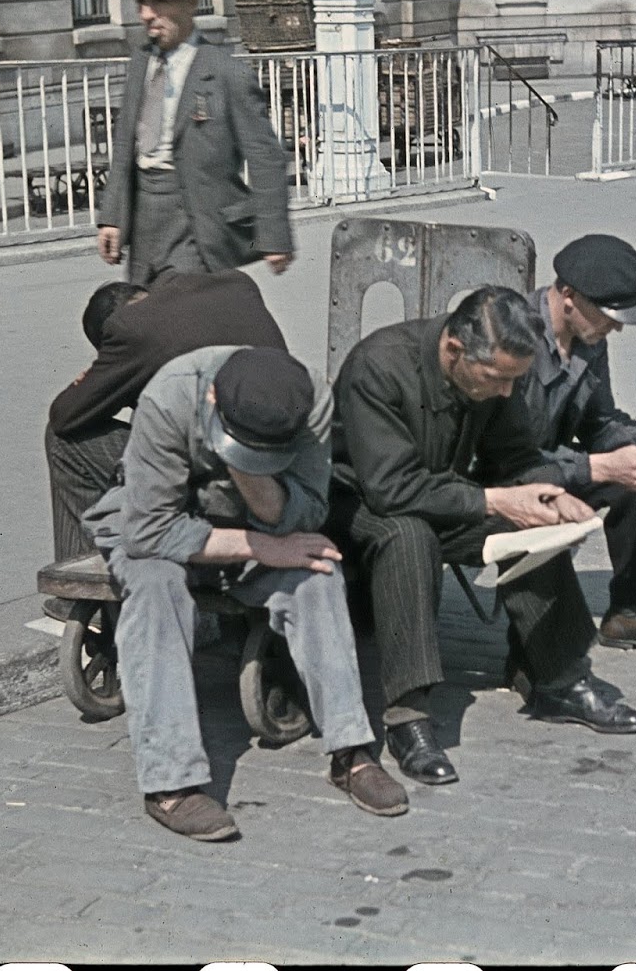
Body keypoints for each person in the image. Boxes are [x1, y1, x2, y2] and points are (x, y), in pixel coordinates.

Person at [325, 286, 636, 788]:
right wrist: (497, 500)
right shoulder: (380, 365)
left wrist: (544, 493)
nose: (505, 392)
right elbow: (391, 489)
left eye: (512, 381)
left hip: (442, 492)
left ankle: (556, 677)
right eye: (496, 379)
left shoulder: (501, 375)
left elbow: (515, 458)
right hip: (361, 504)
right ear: (454, 350)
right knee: (409, 536)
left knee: (534, 522)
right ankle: (407, 718)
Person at [83, 346, 409, 839]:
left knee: (317, 573)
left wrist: (249, 471)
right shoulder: (171, 395)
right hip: (157, 528)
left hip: (252, 525)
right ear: (213, 396)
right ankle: (170, 783)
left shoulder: (311, 401)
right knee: (154, 589)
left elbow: (306, 515)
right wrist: (258, 543)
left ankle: (351, 753)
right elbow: (147, 533)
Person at [503, 235, 636, 684]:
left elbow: (601, 425)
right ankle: (537, 657)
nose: (614, 329)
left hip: (552, 464)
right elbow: (507, 456)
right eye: (608, 316)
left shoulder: (588, 336)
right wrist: (594, 468)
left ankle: (631, 611)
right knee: (608, 473)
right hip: (507, 474)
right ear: (567, 297)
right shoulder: (514, 337)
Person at [43, 269, 286, 621]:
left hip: (221, 477)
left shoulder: (130, 329)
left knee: (63, 440)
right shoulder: (233, 284)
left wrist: (97, 377)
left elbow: (66, 416)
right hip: (281, 456)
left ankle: (86, 595)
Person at [97, 0, 294, 284]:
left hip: (197, 225)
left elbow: (265, 157)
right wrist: (112, 216)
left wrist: (273, 235)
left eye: (159, 1)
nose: (146, 14)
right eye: (142, 2)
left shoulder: (225, 73)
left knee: (185, 319)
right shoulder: (141, 63)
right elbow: (124, 146)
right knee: (146, 319)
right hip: (144, 224)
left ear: (190, 4)